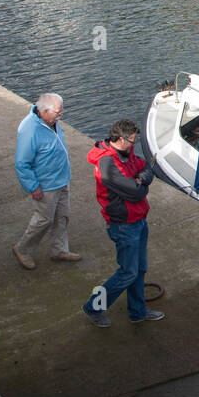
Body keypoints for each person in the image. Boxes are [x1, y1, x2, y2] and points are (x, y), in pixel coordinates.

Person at [82, 119, 161, 327]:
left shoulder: (127, 153)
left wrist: (141, 179)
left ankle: (137, 311)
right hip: (124, 225)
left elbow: (146, 168)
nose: (135, 144)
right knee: (127, 272)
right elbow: (135, 193)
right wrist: (141, 185)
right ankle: (93, 307)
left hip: (138, 220)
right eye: (132, 140)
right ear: (120, 139)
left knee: (139, 269)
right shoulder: (107, 163)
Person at [12, 93, 78, 269]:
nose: (60, 115)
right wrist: (33, 187)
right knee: (43, 220)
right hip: (46, 185)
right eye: (58, 112)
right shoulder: (30, 130)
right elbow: (21, 163)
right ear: (44, 111)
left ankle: (59, 250)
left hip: (62, 180)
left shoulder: (52, 122)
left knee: (62, 217)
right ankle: (22, 248)